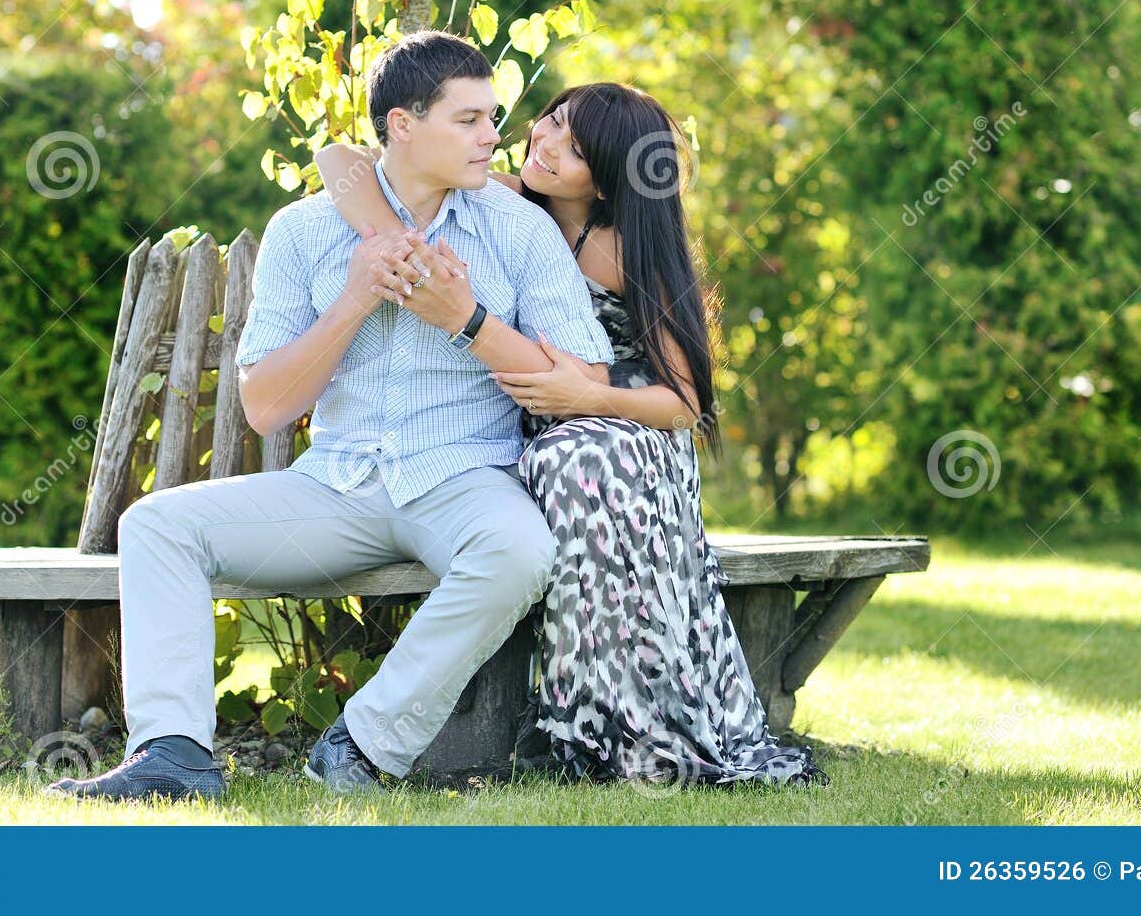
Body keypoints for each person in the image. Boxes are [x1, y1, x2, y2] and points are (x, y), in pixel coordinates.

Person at [45, 31, 614, 801]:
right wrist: (353, 299)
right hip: (334, 487)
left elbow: (585, 375)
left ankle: (364, 744)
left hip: (463, 477)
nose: (493, 137)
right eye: (469, 119)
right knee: (156, 525)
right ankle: (173, 757)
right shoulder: (304, 231)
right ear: (403, 126)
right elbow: (266, 404)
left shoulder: (518, 230)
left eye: (493, 117)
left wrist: (466, 315)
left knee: (518, 548)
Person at [315, 81, 828, 788]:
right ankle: (582, 719)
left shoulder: (628, 248)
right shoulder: (503, 202)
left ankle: (622, 724)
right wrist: (400, 244)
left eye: (576, 148)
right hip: (536, 439)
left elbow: (684, 400)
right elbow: (335, 158)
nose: (545, 145)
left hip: (631, 440)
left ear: (612, 176)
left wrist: (588, 393)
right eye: (551, 122)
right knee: (559, 457)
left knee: (576, 455)